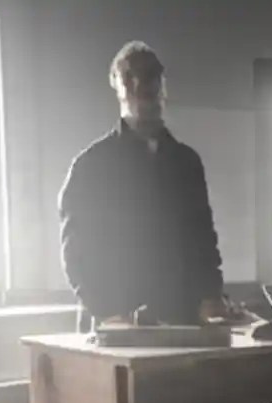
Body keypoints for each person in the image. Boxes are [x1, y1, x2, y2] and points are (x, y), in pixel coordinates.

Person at [58, 41, 232, 331]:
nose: (141, 84)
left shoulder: (186, 162)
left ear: (163, 85)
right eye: (129, 76)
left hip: (181, 318)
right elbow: (75, 249)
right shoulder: (91, 165)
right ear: (117, 85)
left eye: (151, 75)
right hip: (115, 321)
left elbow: (203, 238)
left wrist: (211, 295)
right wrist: (107, 311)